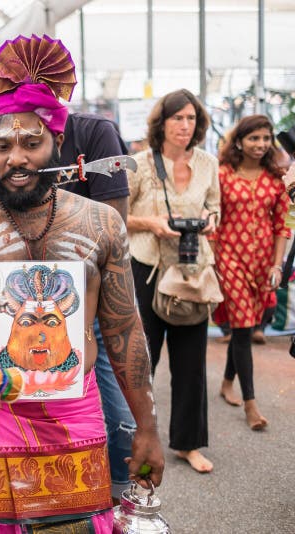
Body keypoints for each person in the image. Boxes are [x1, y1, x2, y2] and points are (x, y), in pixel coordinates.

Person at [0, 35, 163, 533]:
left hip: (77, 418)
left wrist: (147, 426)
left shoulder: (100, 224)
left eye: (32, 143)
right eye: (2, 145)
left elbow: (124, 331)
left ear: (57, 144)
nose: (17, 159)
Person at [126, 88, 219, 473]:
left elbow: (213, 206)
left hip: (191, 269)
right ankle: (133, 434)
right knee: (141, 356)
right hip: (146, 266)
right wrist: (151, 224)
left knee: (192, 357)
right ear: (161, 122)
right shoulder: (139, 164)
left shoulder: (208, 163)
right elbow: (117, 215)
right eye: (177, 117)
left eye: (191, 118)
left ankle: (187, 442)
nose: (185, 125)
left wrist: (211, 220)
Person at [58, 112, 136, 501]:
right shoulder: (5, 132)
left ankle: (121, 501)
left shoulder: (94, 132)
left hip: (97, 291)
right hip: (35, 297)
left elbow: (114, 229)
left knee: (117, 411)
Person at [213, 114, 289, 430]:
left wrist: (277, 264)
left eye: (265, 138)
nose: (260, 145)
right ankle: (251, 406)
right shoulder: (222, 176)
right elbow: (214, 222)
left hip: (262, 266)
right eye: (253, 138)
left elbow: (283, 224)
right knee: (243, 326)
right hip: (230, 260)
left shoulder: (276, 178)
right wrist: (214, 264)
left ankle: (227, 382)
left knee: (245, 327)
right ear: (240, 141)